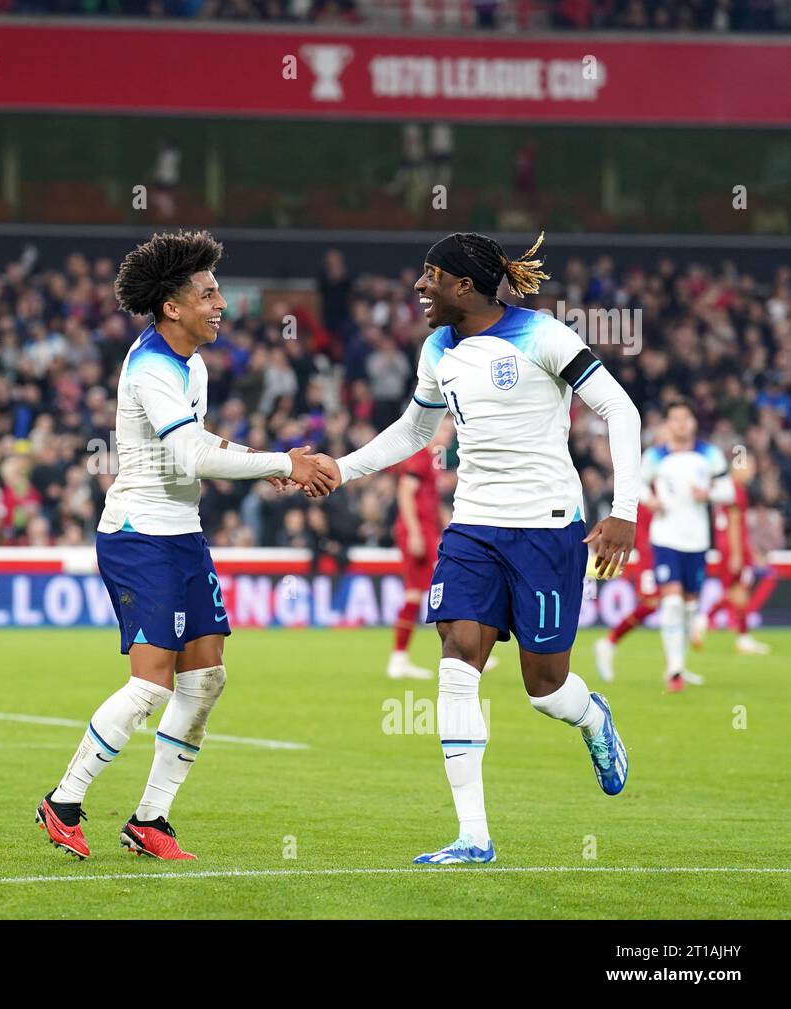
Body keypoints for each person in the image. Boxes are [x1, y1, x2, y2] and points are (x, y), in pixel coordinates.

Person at [315, 231, 638, 865]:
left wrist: (623, 513)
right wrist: (342, 468)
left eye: (430, 276)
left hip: (547, 530)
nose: (419, 287)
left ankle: (593, 717)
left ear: (464, 285)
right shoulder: (438, 348)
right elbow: (413, 430)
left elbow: (620, 412)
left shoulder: (544, 335)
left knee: (546, 689)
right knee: (458, 662)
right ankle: (473, 837)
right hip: (472, 531)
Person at [35, 230, 336, 861]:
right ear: (173, 307)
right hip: (139, 537)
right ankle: (63, 802)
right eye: (208, 293)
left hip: (181, 536)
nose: (221, 302)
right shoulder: (149, 368)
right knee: (151, 687)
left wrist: (269, 464)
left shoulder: (189, 364)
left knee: (206, 679)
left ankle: (150, 819)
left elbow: (203, 441)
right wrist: (280, 459)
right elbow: (191, 455)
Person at [639, 401, 735, 691]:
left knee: (690, 606)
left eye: (685, 418)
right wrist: (650, 500)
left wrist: (709, 493)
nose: (681, 424)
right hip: (666, 537)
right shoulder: (655, 456)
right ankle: (674, 671)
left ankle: (681, 662)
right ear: (667, 425)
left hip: (697, 539)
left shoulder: (709, 454)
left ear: (693, 422)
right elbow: (639, 485)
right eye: (675, 419)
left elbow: (729, 490)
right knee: (672, 601)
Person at [387, 425, 452, 680]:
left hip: (426, 532)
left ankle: (400, 658)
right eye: (445, 430)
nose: (449, 435)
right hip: (416, 534)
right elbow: (405, 493)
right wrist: (414, 532)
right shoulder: (420, 458)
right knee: (441, 589)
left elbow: (429, 501)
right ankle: (463, 654)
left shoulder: (432, 462)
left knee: (418, 594)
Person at [696, 454, 770, 657]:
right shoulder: (736, 491)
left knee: (739, 594)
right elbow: (735, 525)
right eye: (748, 467)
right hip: (733, 549)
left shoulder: (724, 490)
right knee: (737, 593)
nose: (751, 471)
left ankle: (742, 638)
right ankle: (703, 620)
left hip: (725, 548)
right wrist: (738, 554)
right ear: (737, 469)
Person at [594, 503, 659, 682]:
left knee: (680, 603)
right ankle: (610, 641)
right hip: (651, 554)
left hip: (675, 548)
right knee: (651, 604)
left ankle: (677, 669)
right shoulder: (642, 493)